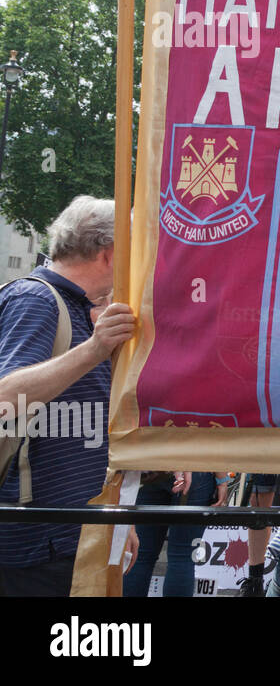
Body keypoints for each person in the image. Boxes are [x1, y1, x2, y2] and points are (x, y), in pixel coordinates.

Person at [0, 196, 137, 596]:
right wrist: (94, 349)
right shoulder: (36, 299)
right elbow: (5, 399)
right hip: (37, 542)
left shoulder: (74, 306)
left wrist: (117, 521)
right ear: (110, 254)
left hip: (68, 533)